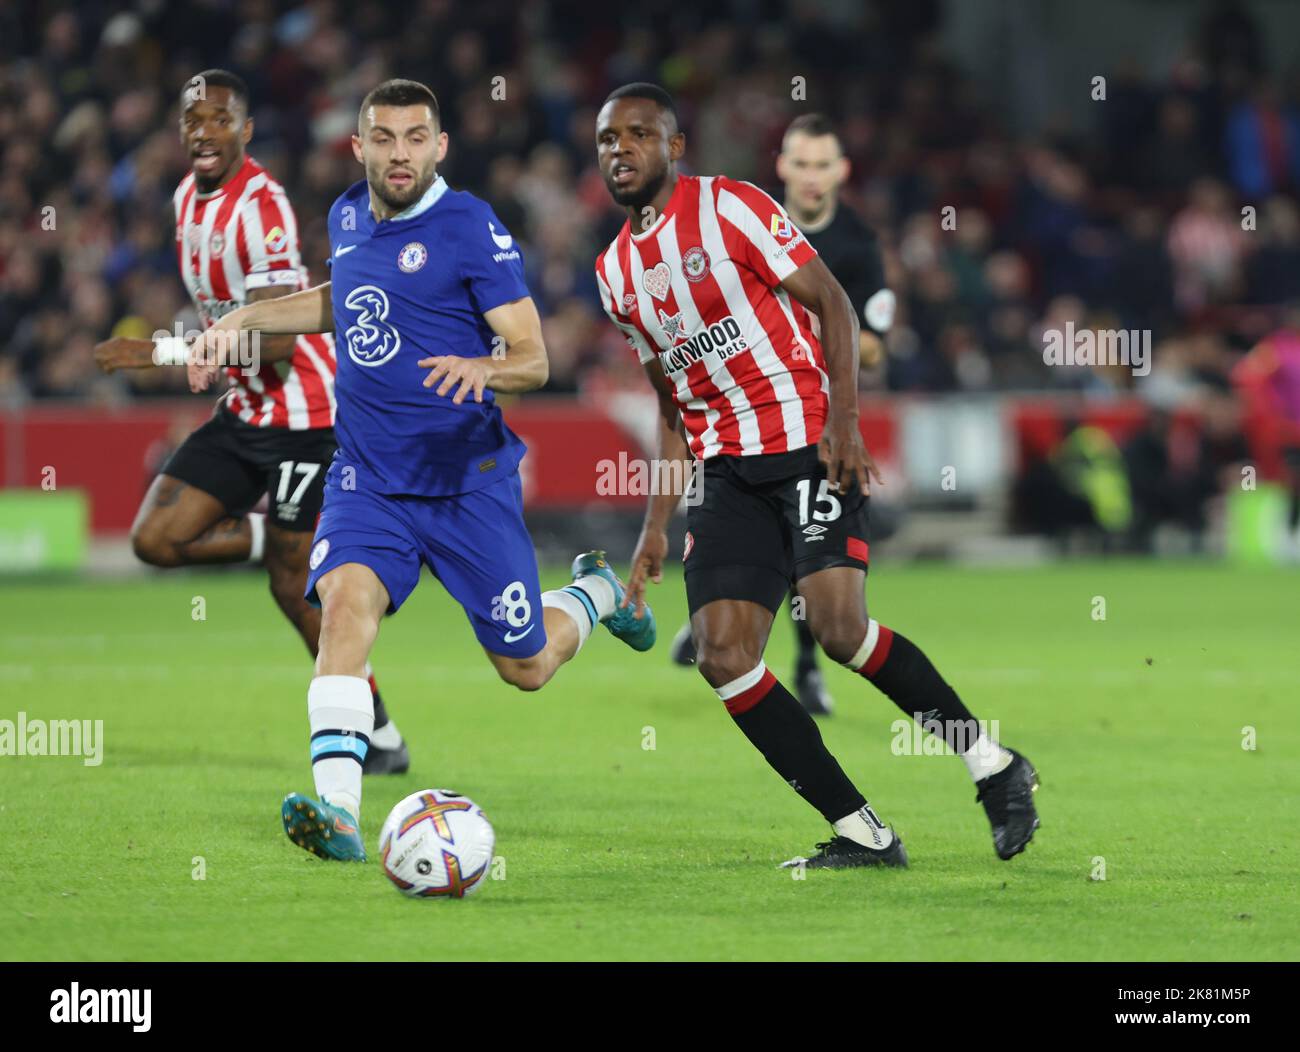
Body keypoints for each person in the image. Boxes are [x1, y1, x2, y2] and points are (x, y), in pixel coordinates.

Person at [190, 79, 655, 863]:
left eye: (414, 139)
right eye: (384, 138)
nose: (398, 153)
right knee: (342, 611)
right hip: (369, 478)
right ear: (359, 145)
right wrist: (241, 318)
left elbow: (536, 358)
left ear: (439, 147)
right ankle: (338, 812)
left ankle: (599, 589)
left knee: (528, 665)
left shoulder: (470, 227)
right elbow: (343, 299)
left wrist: (485, 368)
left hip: (466, 484)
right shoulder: (344, 216)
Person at [594, 84, 1039, 867]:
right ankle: (862, 831)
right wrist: (655, 527)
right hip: (727, 474)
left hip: (805, 441)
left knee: (838, 630)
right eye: (606, 139)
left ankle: (991, 763)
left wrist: (844, 423)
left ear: (675, 145)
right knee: (722, 652)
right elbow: (670, 399)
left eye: (638, 134)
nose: (620, 150)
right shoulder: (615, 273)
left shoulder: (731, 207)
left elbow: (832, 300)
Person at [93, 69, 408, 774]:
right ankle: (274, 534)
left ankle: (378, 733)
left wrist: (164, 352)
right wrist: (196, 343)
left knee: (293, 593)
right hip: (244, 409)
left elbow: (278, 340)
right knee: (156, 540)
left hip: (307, 416)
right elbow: (217, 314)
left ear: (246, 129)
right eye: (192, 119)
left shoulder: (262, 208)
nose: (204, 132)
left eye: (220, 118)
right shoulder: (184, 198)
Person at [668, 113, 896, 719]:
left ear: (842, 171)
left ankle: (800, 660)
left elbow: (873, 341)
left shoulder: (857, 243)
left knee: (810, 547)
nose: (812, 176)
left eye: (824, 164)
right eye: (802, 163)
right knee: (741, 519)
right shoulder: (746, 219)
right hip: (736, 406)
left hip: (820, 406)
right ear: (783, 166)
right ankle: (726, 617)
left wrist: (816, 329)